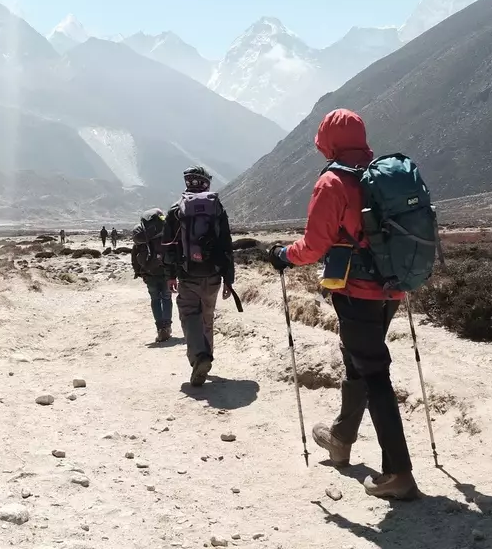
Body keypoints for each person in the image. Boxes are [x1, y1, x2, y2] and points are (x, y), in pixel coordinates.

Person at [269, 108, 418, 501]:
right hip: (392, 288)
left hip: (356, 291)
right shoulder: (382, 177)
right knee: (359, 361)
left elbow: (314, 246)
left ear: (328, 140)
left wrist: (283, 255)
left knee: (374, 373)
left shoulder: (333, 182)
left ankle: (398, 473)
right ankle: (340, 439)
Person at [162, 166, 235, 387]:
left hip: (187, 274)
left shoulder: (177, 209)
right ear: (206, 183)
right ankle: (207, 357)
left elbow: (168, 246)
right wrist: (228, 278)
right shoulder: (217, 208)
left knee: (189, 316)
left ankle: (199, 358)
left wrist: (170, 275)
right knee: (207, 318)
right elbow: (226, 245)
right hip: (213, 275)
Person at [131, 208, 173, 343]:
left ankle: (160, 329)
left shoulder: (142, 235)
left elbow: (134, 255)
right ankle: (167, 327)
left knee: (155, 299)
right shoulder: (164, 233)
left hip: (149, 273)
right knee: (167, 298)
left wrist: (138, 272)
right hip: (166, 271)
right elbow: (172, 252)